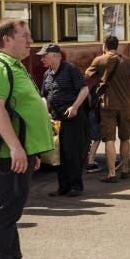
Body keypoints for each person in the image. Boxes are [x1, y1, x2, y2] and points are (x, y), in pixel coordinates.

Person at [0, 18, 54, 259]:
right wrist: (15, 147)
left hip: (21, 153)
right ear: (7, 39)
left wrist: (30, 150)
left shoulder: (16, 67)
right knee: (2, 213)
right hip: (6, 155)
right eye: (24, 36)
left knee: (11, 212)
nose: (30, 40)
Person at [85, 35, 130, 183]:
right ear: (117, 46)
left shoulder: (100, 60)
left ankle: (112, 173)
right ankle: (125, 169)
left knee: (109, 139)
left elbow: (87, 75)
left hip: (107, 106)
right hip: (125, 106)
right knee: (125, 138)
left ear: (105, 45)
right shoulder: (126, 61)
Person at [38, 43, 88, 197]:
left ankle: (76, 186)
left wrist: (74, 107)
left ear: (55, 56)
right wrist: (46, 111)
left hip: (71, 117)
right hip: (56, 118)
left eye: (44, 56)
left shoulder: (70, 70)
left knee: (72, 152)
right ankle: (63, 187)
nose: (42, 59)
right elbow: (43, 96)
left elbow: (84, 89)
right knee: (59, 154)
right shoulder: (48, 74)